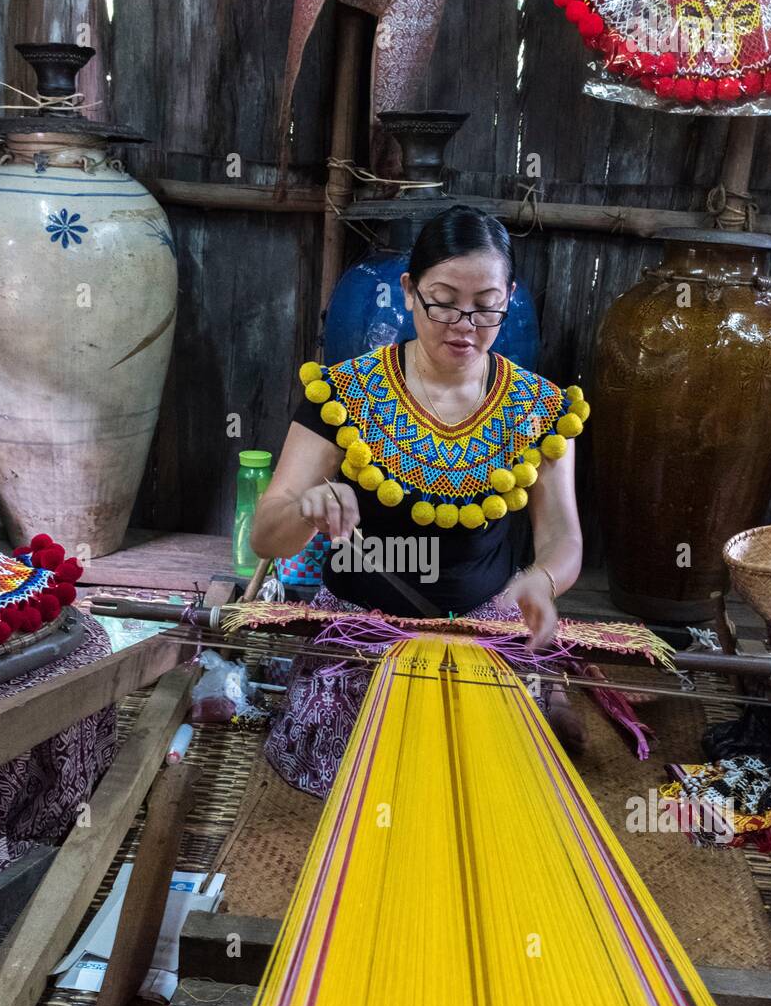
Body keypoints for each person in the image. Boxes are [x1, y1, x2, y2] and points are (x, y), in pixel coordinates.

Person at [252, 205, 589, 796]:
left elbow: (563, 535)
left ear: (509, 298)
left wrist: (542, 580)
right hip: (360, 641)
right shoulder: (344, 395)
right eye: (443, 301)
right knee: (372, 782)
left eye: (486, 305)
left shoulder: (540, 410)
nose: (464, 324)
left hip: (481, 638)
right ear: (409, 291)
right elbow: (264, 536)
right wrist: (307, 507)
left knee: (483, 788)